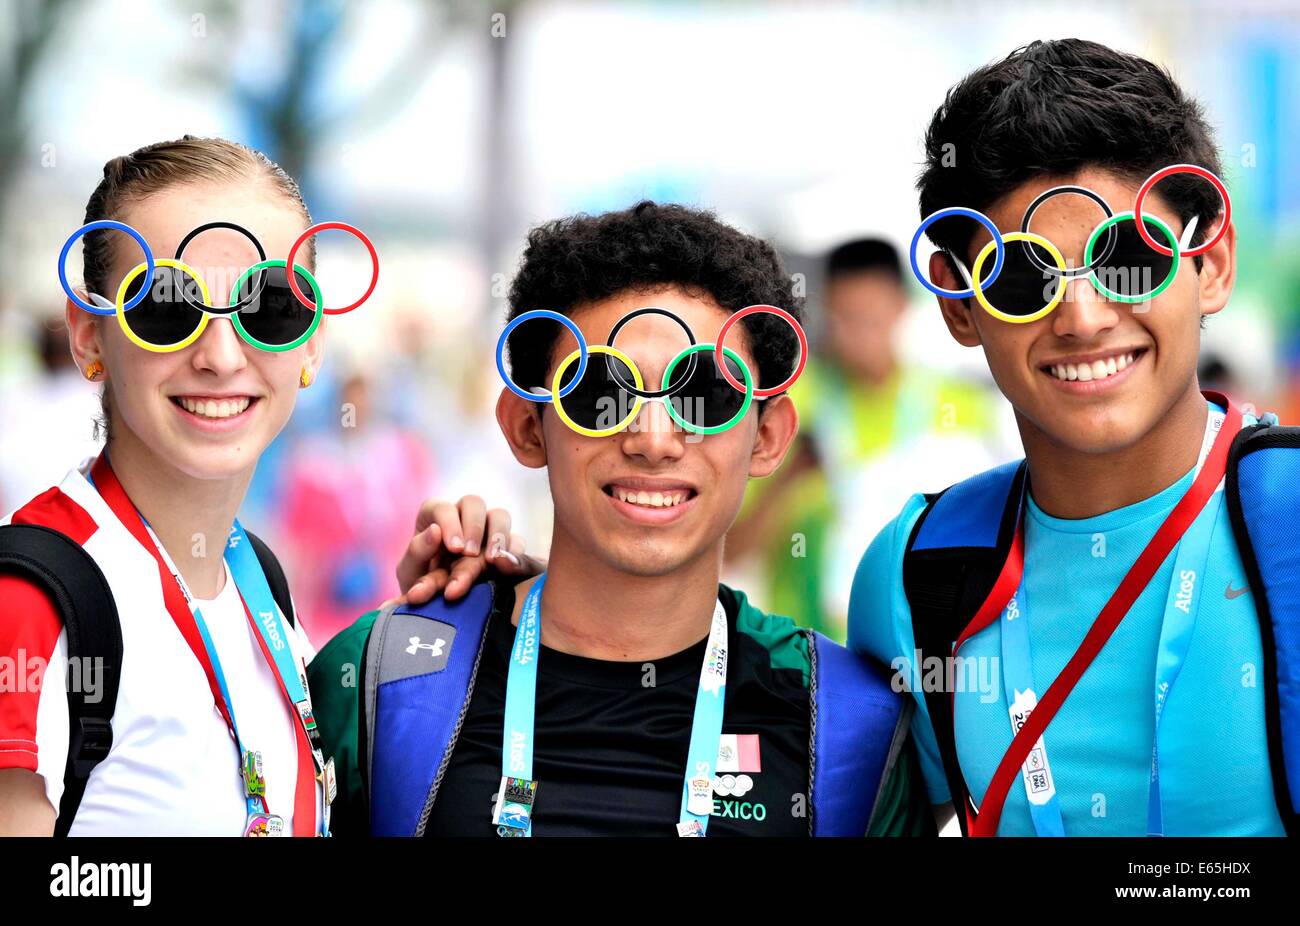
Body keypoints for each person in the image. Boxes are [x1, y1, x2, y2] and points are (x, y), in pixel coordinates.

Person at [310, 201, 931, 837]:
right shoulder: (385, 679)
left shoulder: (850, 724)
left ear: (768, 437)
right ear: (527, 427)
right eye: (602, 393)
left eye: (706, 395)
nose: (654, 437)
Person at [0, 136, 508, 836]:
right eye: (166, 308)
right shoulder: (28, 602)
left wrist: (433, 619)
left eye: (269, 308)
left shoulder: (255, 582)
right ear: (89, 337)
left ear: (311, 345)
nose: (219, 355)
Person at [849, 39, 1290, 836]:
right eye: (1023, 277)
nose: (1082, 318)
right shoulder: (914, 574)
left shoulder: (1290, 519)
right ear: (960, 309)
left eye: (1126, 259)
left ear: (1212, 266)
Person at [726, 238, 1010, 639]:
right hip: (804, 657)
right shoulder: (788, 408)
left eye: (871, 318)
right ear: (826, 312)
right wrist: (789, 481)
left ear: (901, 307)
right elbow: (729, 552)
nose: (860, 336)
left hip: (926, 646)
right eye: (847, 319)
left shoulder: (961, 407)